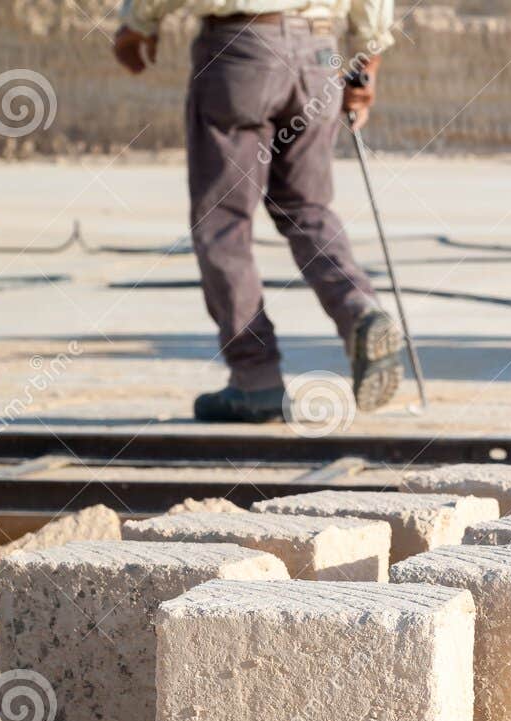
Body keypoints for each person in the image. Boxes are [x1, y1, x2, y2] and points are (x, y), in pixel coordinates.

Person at [112, 2, 404, 422]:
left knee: (223, 219)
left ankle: (256, 379)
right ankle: (359, 310)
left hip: (240, 48)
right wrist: (368, 57)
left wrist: (138, 23)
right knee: (307, 206)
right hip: (322, 51)